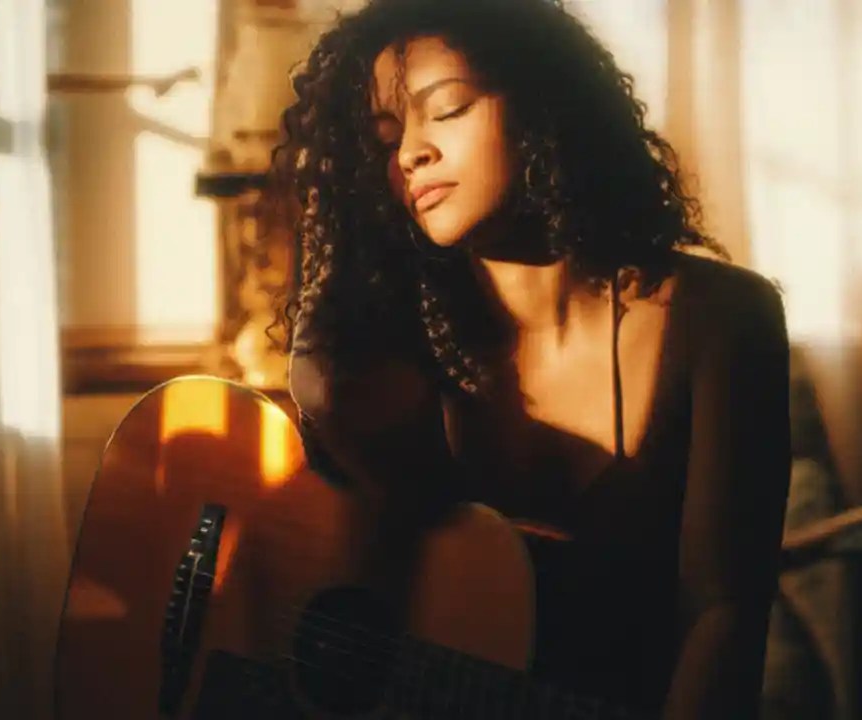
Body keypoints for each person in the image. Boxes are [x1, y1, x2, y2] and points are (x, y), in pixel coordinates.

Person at [274, 0, 792, 716]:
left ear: (549, 105)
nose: (410, 154)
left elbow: (725, 610)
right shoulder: (402, 346)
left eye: (447, 109)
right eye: (386, 139)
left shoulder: (723, 317)